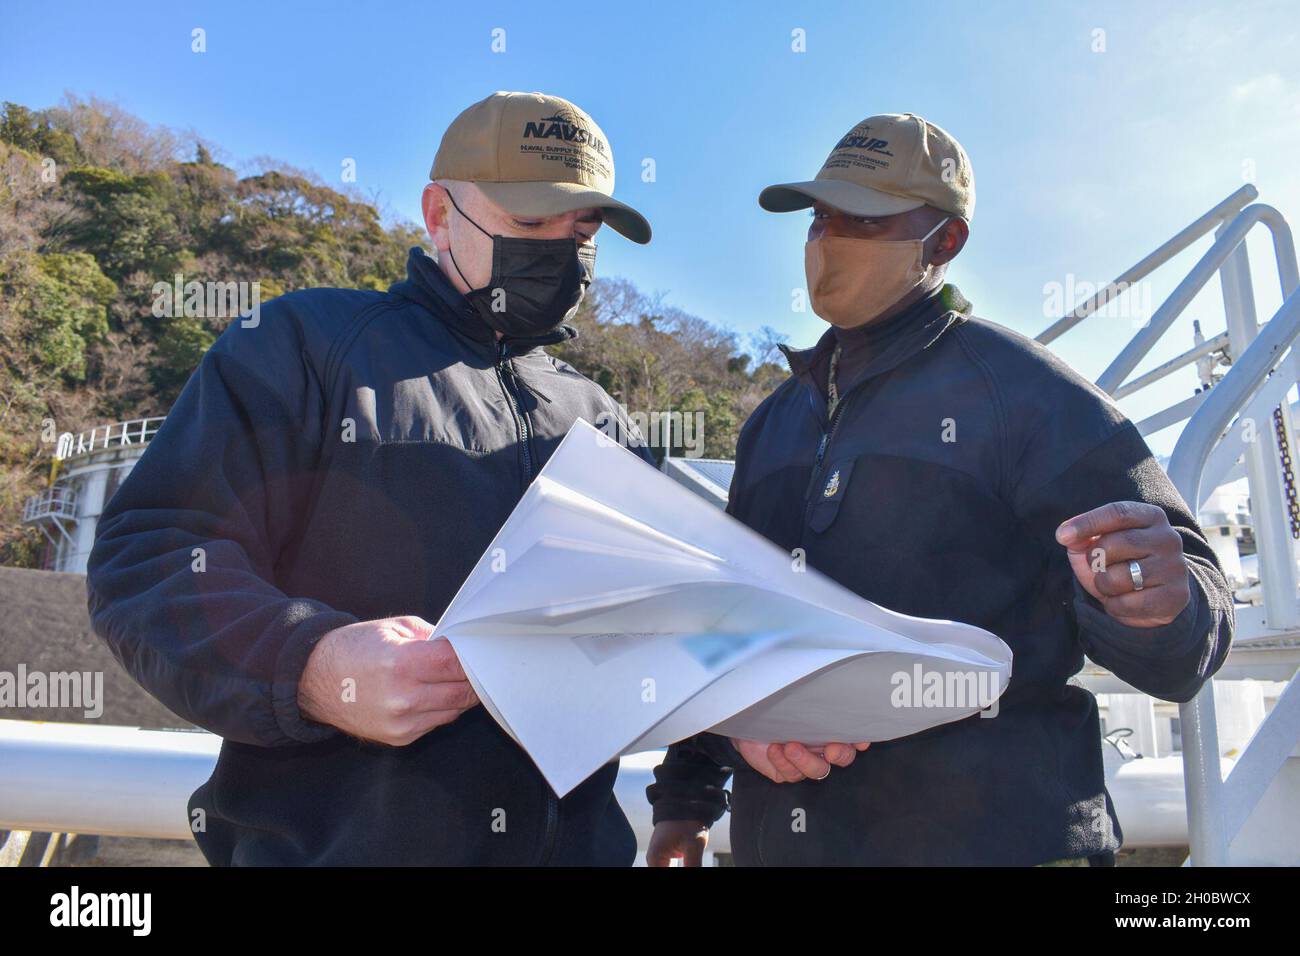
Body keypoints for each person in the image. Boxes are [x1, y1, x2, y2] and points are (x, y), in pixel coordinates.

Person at [646, 112, 1234, 866]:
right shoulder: (771, 424)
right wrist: (685, 804)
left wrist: (1162, 605)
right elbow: (729, 618)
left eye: (862, 219)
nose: (826, 240)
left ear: (945, 242)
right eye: (819, 217)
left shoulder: (1030, 395)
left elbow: (1186, 633)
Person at [87, 91, 654, 865]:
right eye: (529, 223)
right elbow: (147, 558)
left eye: (583, 231)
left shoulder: (604, 421)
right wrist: (311, 664)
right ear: (438, 213)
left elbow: (661, 629)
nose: (562, 250)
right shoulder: (304, 346)